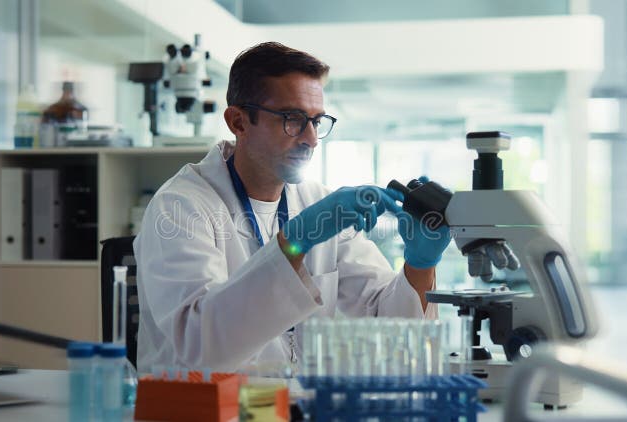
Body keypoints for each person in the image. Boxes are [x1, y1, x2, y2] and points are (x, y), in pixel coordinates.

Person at [134, 42, 489, 373]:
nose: (310, 139)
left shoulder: (318, 202)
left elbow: (388, 322)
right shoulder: (180, 207)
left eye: (317, 121)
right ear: (238, 122)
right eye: (292, 119)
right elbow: (200, 345)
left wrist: (420, 264)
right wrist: (294, 243)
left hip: (290, 405)